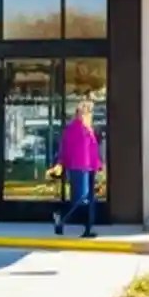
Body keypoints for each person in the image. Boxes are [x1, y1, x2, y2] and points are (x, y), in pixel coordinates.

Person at [52, 100, 102, 238]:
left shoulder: (88, 129)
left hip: (89, 167)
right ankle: (61, 220)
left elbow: (93, 150)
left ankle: (87, 230)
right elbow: (65, 148)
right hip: (79, 168)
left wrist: (98, 165)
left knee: (90, 201)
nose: (89, 115)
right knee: (81, 200)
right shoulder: (73, 129)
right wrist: (62, 163)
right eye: (87, 112)